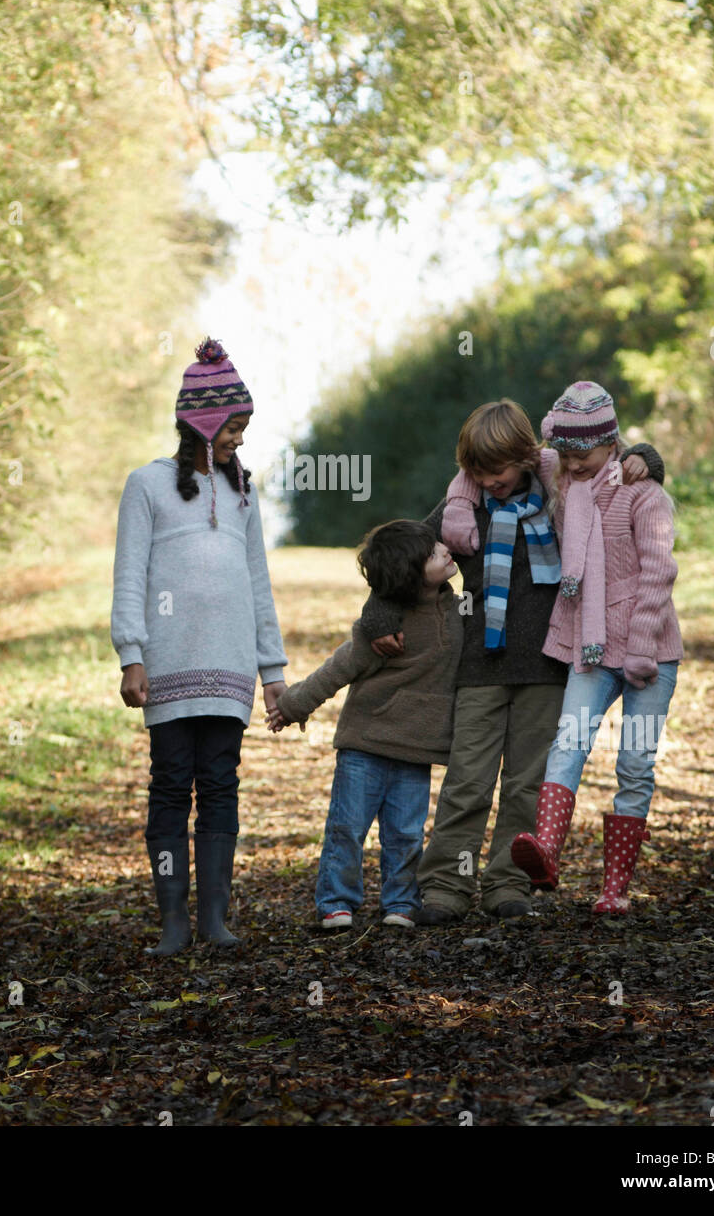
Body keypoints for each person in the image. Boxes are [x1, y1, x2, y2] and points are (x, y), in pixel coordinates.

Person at [360, 400, 664, 922]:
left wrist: (646, 458)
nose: (485, 480)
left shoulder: (562, 490)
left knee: (528, 782)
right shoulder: (465, 503)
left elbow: (609, 471)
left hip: (549, 665)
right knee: (467, 781)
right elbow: (408, 552)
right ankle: (445, 888)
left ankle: (508, 885)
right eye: (474, 472)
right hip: (479, 666)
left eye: (494, 470)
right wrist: (380, 612)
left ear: (527, 456)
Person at [111, 338, 287, 954]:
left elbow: (257, 581)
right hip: (168, 668)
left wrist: (273, 670)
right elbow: (130, 574)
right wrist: (131, 653)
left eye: (244, 427)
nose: (240, 438)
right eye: (234, 427)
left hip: (229, 668)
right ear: (204, 423)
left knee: (220, 786)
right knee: (169, 786)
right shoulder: (147, 486)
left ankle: (215, 917)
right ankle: (173, 921)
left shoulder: (244, 492)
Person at [511, 381, 683, 915]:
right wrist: (453, 511)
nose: (573, 464)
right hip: (589, 647)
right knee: (569, 743)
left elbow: (658, 573)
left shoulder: (644, 493)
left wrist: (641, 647)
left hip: (650, 653)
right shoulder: (561, 477)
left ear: (612, 444)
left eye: (582, 454)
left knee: (635, 762)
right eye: (564, 453)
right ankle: (546, 849)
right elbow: (493, 456)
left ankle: (616, 889)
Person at [268, 521, 462, 929]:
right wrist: (293, 705)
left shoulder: (459, 609)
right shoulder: (385, 628)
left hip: (417, 748)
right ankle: (336, 901)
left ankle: (400, 903)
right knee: (346, 827)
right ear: (410, 573)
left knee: (406, 833)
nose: (445, 549)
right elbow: (339, 667)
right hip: (366, 742)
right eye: (432, 552)